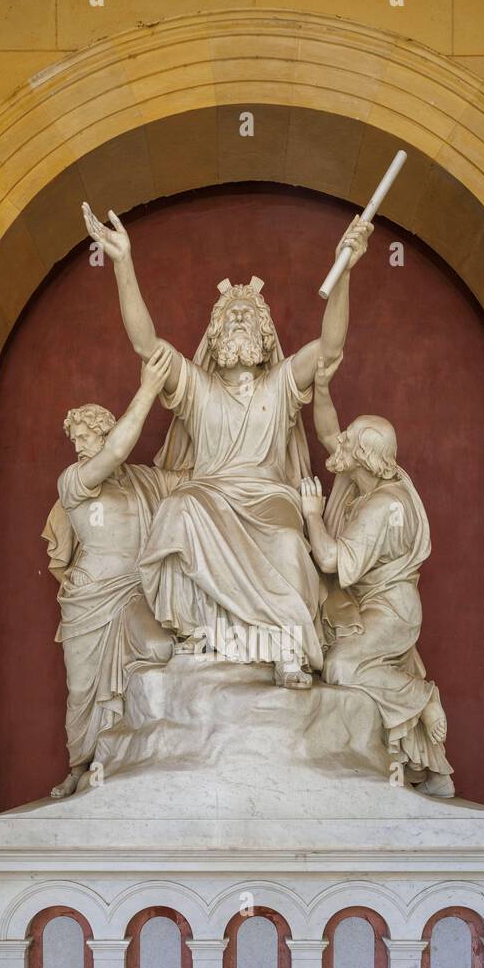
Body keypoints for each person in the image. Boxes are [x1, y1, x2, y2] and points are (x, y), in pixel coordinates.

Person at [81, 202, 372, 688]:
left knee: (284, 542)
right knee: (178, 509)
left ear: (264, 336)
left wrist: (344, 272)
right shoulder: (196, 386)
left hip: (269, 498)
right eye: (230, 318)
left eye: (249, 317)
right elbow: (145, 344)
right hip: (211, 494)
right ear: (214, 337)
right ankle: (201, 634)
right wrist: (123, 264)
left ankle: (286, 650)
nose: (240, 321)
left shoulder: (281, 384)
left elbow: (331, 346)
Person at [299, 355, 455, 796]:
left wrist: (312, 514)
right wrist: (323, 388)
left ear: (363, 458)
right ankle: (428, 769)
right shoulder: (361, 481)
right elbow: (330, 433)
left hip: (391, 611)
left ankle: (423, 698)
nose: (338, 445)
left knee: (340, 667)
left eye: (349, 444)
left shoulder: (382, 506)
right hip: (361, 605)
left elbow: (330, 560)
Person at [43, 346, 179, 798]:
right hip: (88, 601)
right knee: (82, 692)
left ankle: (128, 751)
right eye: (75, 439)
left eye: (86, 436)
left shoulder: (144, 480)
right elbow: (119, 448)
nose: (79, 446)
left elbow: (200, 480)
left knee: (160, 647)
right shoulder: (73, 481)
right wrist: (148, 389)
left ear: (104, 433)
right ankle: (79, 765)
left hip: (134, 593)